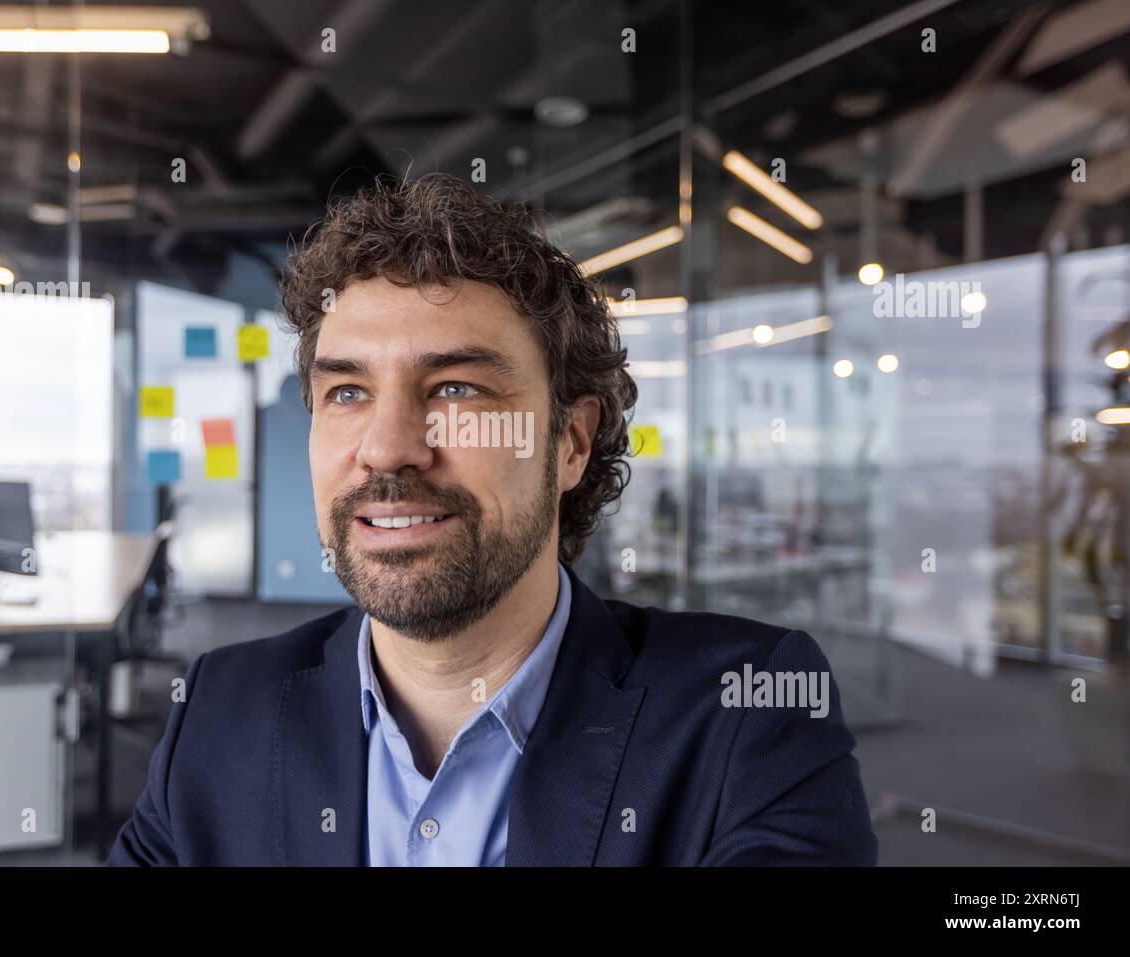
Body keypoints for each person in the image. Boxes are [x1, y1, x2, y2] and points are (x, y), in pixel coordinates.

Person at [108, 173, 877, 866]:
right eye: (346, 392)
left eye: (456, 389)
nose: (386, 448)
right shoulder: (219, 708)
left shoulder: (749, 716)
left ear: (571, 442)